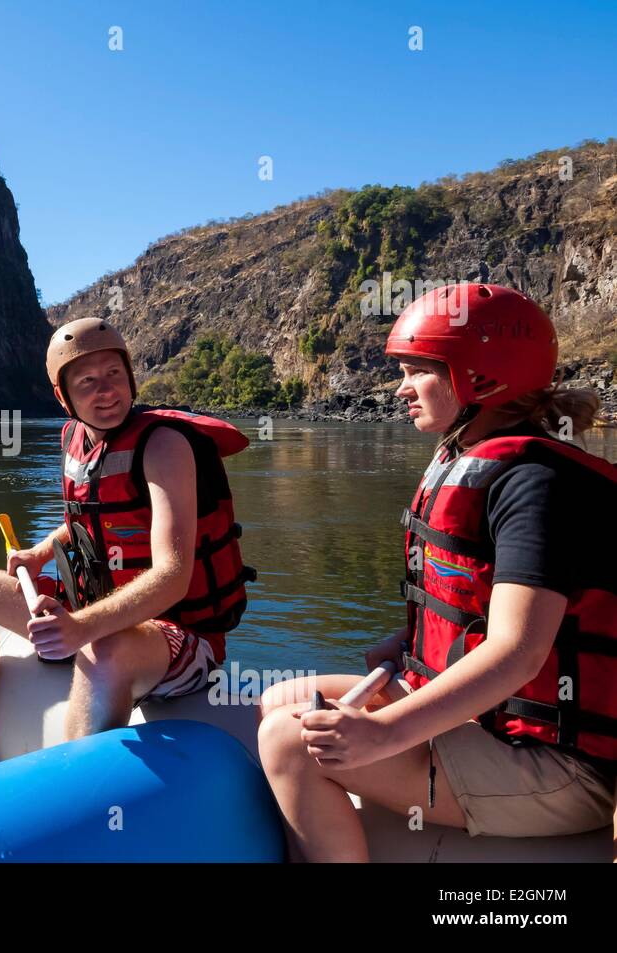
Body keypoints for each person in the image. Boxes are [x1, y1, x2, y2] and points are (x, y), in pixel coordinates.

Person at [257, 283, 617, 862]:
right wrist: (412, 641)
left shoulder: (536, 485)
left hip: (559, 766)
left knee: (289, 742)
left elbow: (519, 653)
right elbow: (480, 608)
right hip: (487, 721)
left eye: (418, 370)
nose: (399, 388)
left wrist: (386, 732)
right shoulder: (476, 460)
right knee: (279, 699)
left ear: (482, 377)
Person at [0, 318, 255, 781]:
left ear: (131, 378)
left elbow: (174, 574)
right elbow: (85, 523)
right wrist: (40, 553)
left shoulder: (165, 446)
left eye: (114, 375)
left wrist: (82, 627)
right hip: (95, 616)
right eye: (88, 382)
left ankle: (73, 795)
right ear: (63, 397)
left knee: (102, 647)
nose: (105, 391)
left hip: (175, 638)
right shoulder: (75, 440)